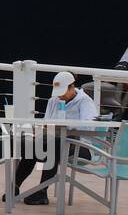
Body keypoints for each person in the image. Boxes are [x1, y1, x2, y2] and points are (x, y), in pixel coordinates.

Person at [12, 70, 97, 205]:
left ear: (72, 87)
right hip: (56, 140)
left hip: (81, 145)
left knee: (54, 145)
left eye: (63, 92)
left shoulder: (84, 101)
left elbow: (90, 127)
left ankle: (42, 191)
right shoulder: (53, 100)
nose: (60, 96)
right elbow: (47, 122)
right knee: (33, 147)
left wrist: (66, 126)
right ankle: (14, 187)